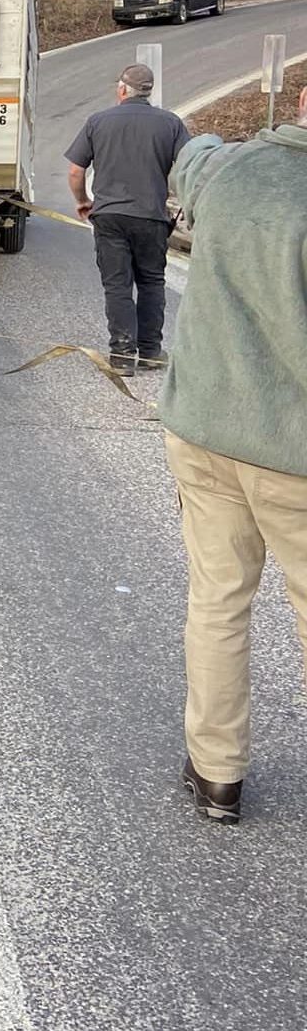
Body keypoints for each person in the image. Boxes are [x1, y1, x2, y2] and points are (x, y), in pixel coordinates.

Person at [160, 84, 307, 824]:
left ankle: (216, 774)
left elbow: (190, 155)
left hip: (206, 433)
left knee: (218, 602)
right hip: (294, 454)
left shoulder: (230, 170)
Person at [64, 63, 190, 375]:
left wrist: (82, 202)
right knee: (151, 282)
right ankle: (150, 353)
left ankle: (121, 356)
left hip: (110, 217)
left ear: (122, 89)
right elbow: (190, 166)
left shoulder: (98, 121)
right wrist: (185, 205)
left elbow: (76, 171)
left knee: (117, 285)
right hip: (151, 217)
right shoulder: (170, 123)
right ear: (148, 92)